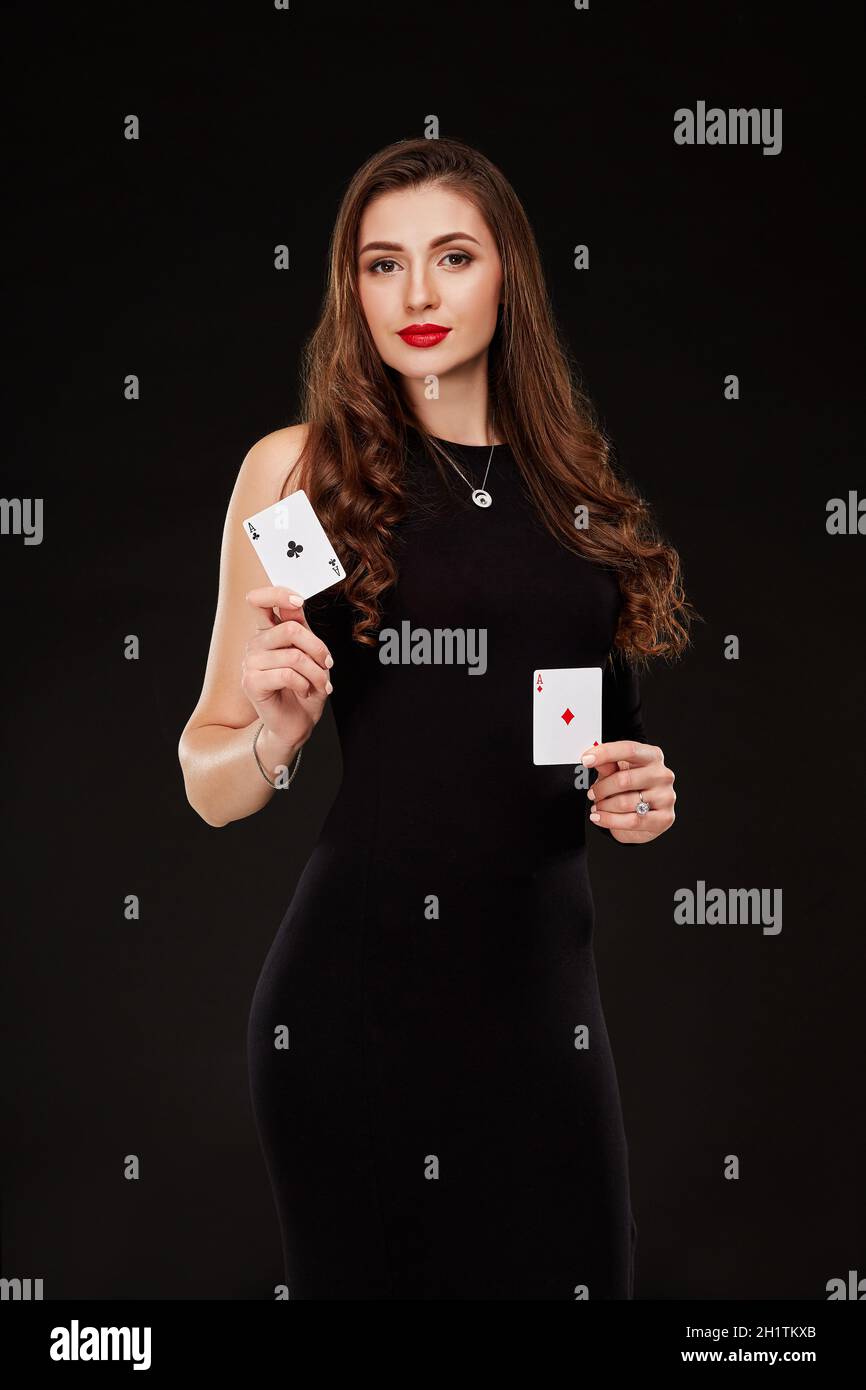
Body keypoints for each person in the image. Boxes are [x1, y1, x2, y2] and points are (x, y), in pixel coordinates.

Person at [178, 136, 693, 1300]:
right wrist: (273, 735)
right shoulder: (308, 478)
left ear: (507, 273)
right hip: (353, 1010)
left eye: (450, 257)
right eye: (380, 264)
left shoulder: (576, 500)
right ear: (348, 288)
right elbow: (211, 778)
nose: (414, 295)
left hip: (544, 1014)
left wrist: (638, 796)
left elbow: (575, 750)